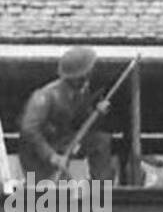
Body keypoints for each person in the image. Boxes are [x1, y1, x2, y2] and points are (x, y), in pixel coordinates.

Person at [18, 46, 115, 182]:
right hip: (38, 154)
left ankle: (101, 185)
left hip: (63, 142)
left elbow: (83, 123)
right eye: (87, 72)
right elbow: (29, 130)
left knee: (100, 141)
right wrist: (51, 156)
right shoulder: (45, 96)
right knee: (61, 191)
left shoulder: (81, 93)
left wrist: (97, 113)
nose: (90, 75)